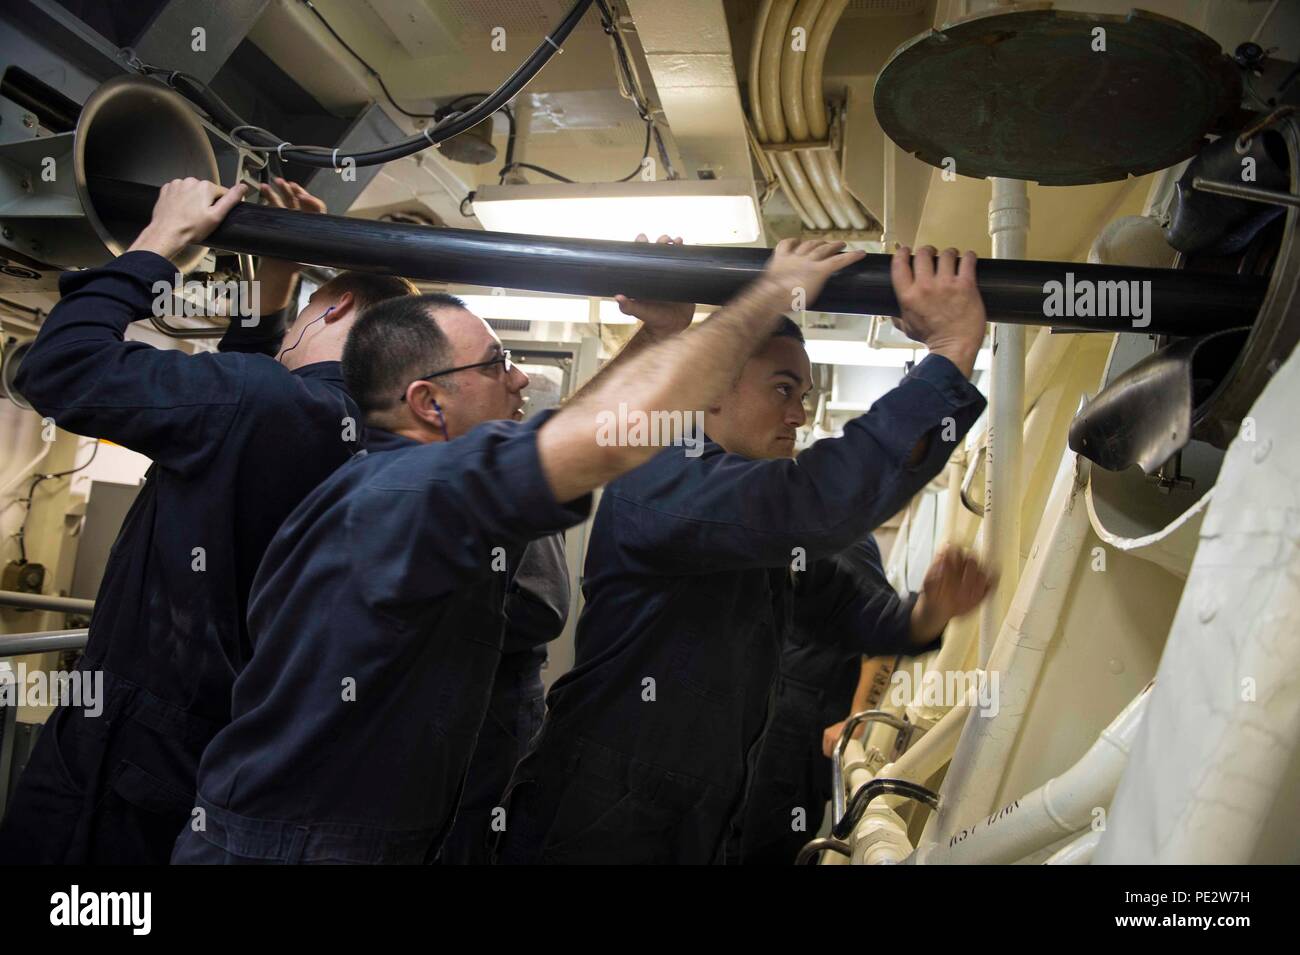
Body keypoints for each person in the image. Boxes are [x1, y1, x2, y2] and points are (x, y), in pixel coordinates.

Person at [496, 245, 990, 864]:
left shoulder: (739, 503)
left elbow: (849, 615)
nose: (799, 413)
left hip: (697, 808)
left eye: (804, 393)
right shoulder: (662, 477)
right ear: (709, 393)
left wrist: (929, 613)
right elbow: (814, 505)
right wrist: (948, 356)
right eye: (783, 389)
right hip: (598, 812)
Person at [0, 178, 417, 864]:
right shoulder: (371, 433)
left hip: (126, 734)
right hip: (221, 742)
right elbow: (235, 408)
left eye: (310, 303)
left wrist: (160, 240)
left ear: (337, 306)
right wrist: (277, 281)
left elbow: (62, 367)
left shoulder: (262, 404)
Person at [739, 538, 991, 864]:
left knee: (771, 841)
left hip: (801, 721)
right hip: (771, 710)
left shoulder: (843, 537)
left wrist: (856, 715)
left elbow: (879, 633)